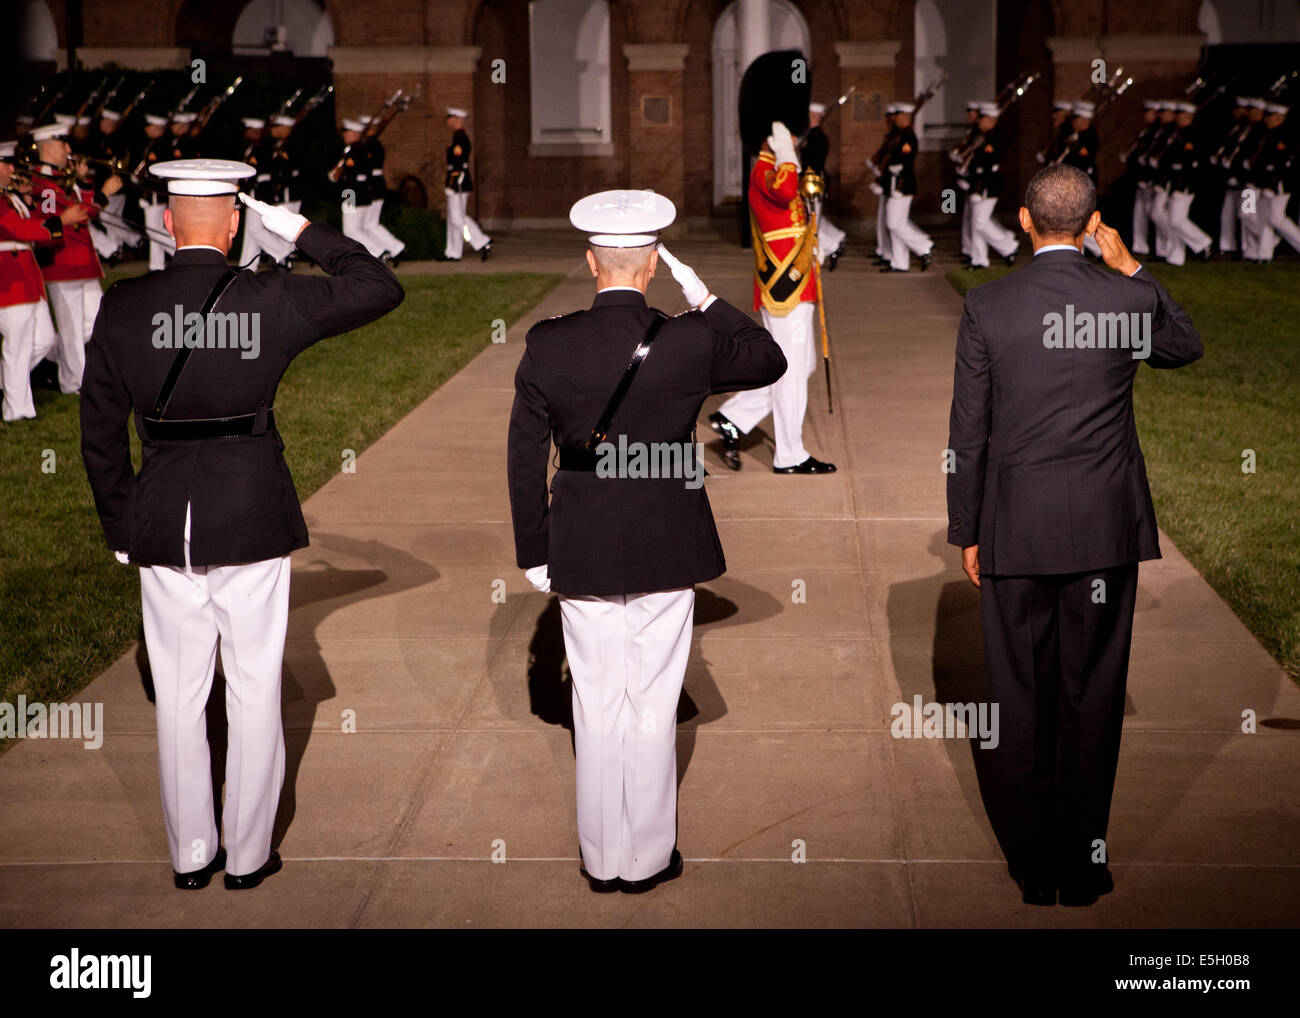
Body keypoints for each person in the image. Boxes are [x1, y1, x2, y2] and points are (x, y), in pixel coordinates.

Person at [79, 158, 404, 891]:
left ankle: (192, 853)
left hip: (162, 517)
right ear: (234, 226)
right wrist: (303, 229)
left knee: (180, 696)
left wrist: (122, 522)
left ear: (167, 223)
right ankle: (250, 854)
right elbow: (380, 285)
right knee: (255, 688)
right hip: (249, 509)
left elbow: (98, 434)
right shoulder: (270, 298)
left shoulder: (125, 306)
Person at [506, 188, 785, 892]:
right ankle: (650, 856)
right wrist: (706, 297)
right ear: (654, 263)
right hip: (665, 538)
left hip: (583, 539)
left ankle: (602, 860)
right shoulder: (691, 339)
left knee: (595, 704)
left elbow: (521, 455)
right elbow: (769, 357)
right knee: (654, 704)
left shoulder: (549, 341)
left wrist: (535, 549)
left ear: (590, 262)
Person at [946, 164, 1202, 907]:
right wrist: (1132, 266)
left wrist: (967, 527)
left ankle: (1034, 866)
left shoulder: (990, 305)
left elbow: (968, 429)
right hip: (1101, 531)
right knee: (1091, 698)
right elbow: (1184, 347)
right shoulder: (1124, 298)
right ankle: (1084, 865)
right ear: (1093, 223)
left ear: (1024, 222)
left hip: (1015, 529)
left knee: (1019, 696)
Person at [710, 121, 836, 474]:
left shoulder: (780, 169)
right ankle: (790, 455)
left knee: (802, 366)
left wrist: (814, 243)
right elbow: (782, 193)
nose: (795, 141)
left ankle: (732, 418)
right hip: (785, 286)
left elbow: (793, 219)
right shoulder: (768, 171)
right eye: (789, 135)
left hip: (798, 280)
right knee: (791, 371)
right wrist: (784, 152)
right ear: (772, 138)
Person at [28, 121, 112, 394]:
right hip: (62, 262)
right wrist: (101, 195)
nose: (68, 149)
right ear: (50, 146)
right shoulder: (45, 181)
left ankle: (61, 362)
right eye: (64, 144)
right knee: (72, 329)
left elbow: (87, 210)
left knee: (98, 320)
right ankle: (73, 382)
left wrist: (89, 186)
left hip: (81, 260)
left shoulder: (62, 177)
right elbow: (50, 219)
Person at [0, 140, 79, 420]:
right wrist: (60, 223)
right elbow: (18, 229)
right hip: (9, 280)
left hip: (28, 279)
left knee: (45, 339)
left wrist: (31, 201)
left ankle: (9, 383)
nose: (13, 168)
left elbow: (31, 223)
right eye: (7, 163)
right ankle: (16, 410)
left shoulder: (10, 197)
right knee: (17, 346)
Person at [879, 101, 934, 272]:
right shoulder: (900, 135)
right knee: (897, 224)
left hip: (902, 186)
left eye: (900, 116)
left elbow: (904, 162)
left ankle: (923, 245)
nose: (896, 119)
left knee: (894, 224)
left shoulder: (908, 137)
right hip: (895, 185)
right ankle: (900, 262)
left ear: (906, 118)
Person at [964, 102, 1019, 269]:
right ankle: (979, 259)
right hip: (978, 183)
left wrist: (979, 187)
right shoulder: (981, 136)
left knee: (980, 222)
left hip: (988, 184)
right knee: (976, 223)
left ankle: (1008, 245)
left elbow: (987, 165)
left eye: (982, 118)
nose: (978, 121)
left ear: (990, 120)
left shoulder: (993, 138)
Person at [443, 106, 492, 261]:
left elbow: (458, 164)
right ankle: (453, 252)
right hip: (456, 180)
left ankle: (482, 241)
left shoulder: (460, 138)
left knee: (458, 218)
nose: (448, 121)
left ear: (456, 119)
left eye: (450, 118)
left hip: (458, 181)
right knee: (454, 219)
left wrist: (451, 184)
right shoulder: (457, 137)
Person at [801, 102, 845, 270]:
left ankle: (832, 247)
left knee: (812, 224)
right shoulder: (809, 135)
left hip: (813, 184)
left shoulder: (817, 137)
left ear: (816, 116)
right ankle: (833, 242)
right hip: (807, 183)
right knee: (811, 222)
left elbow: (813, 163)